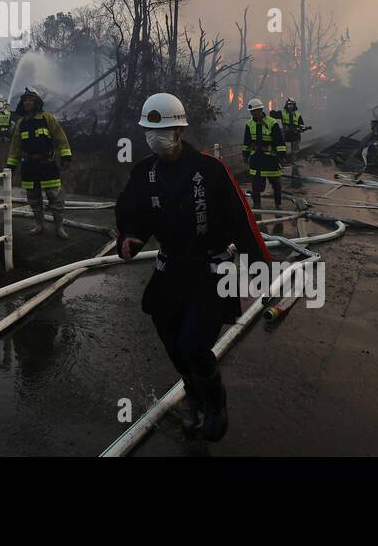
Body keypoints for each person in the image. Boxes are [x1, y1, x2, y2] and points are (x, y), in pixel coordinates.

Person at [116, 92, 272, 441]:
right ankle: (194, 397)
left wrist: (259, 268)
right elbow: (132, 213)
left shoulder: (210, 170)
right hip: (170, 271)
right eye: (148, 130)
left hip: (210, 272)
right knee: (171, 340)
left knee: (192, 344)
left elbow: (242, 221)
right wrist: (130, 237)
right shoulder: (144, 173)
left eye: (164, 130)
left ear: (180, 130)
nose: (155, 137)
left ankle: (215, 402)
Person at [5, 86, 72, 238]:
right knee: (34, 199)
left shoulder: (48, 119)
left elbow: (61, 139)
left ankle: (59, 228)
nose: (27, 102)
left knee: (55, 197)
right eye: (25, 100)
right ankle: (39, 226)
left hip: (47, 165)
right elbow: (15, 147)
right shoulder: (20, 123)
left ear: (37, 102)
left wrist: (66, 157)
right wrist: (11, 165)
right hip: (29, 166)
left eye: (30, 100)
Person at [241, 98, 286, 210]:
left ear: (261, 109)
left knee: (276, 184)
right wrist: (245, 155)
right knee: (256, 187)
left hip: (271, 160)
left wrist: (281, 155)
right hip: (256, 160)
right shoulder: (249, 124)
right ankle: (257, 206)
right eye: (252, 111)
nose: (254, 113)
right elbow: (246, 141)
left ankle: (278, 205)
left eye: (256, 111)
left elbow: (279, 141)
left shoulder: (272, 123)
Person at [280, 98, 309, 181]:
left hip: (295, 134)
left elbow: (301, 125)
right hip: (286, 133)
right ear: (286, 104)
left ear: (294, 105)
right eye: (289, 104)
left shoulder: (297, 114)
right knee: (280, 144)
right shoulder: (282, 113)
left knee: (295, 148)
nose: (290, 106)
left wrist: (302, 128)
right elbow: (273, 115)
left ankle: (294, 162)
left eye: (291, 104)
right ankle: (282, 159)